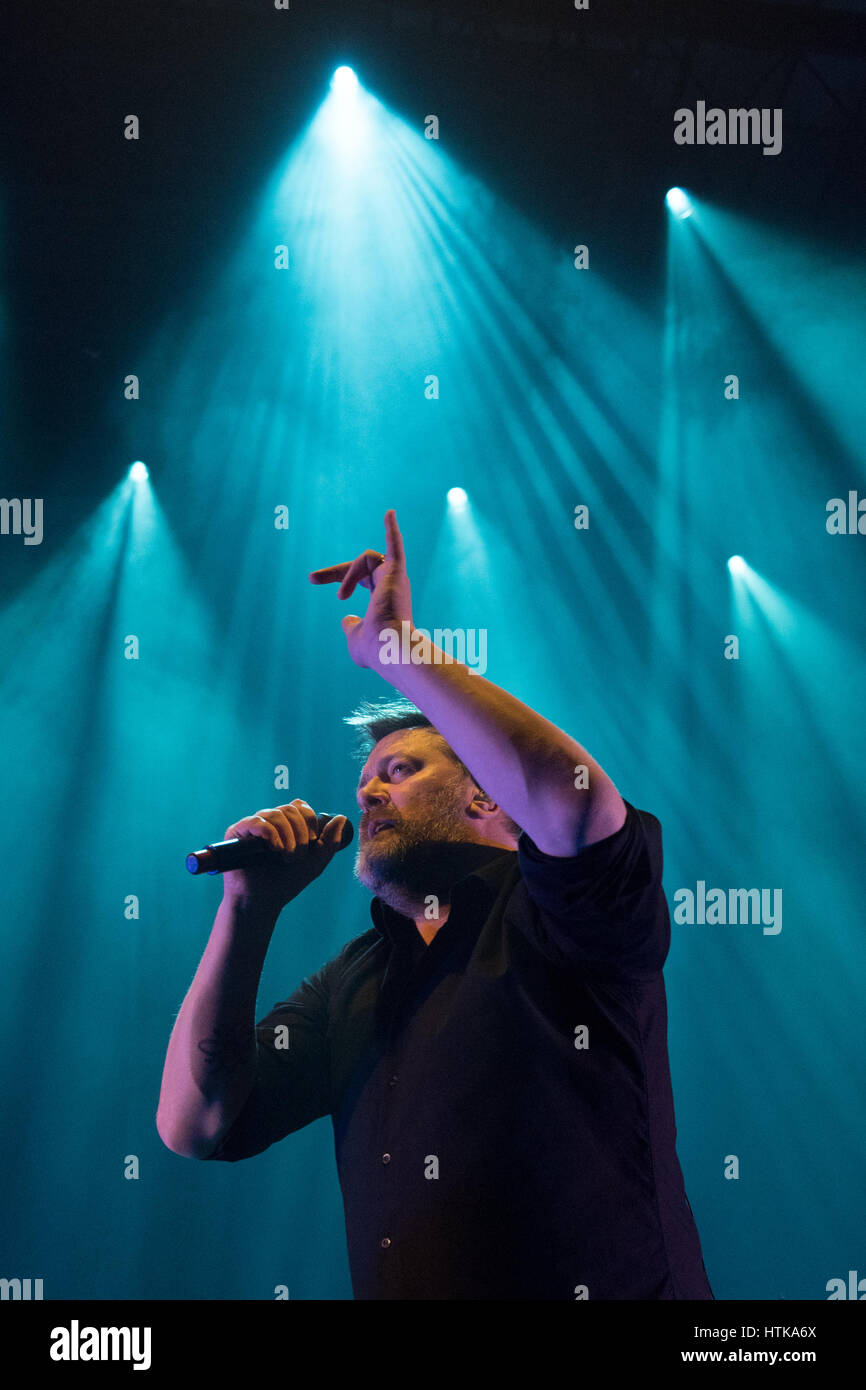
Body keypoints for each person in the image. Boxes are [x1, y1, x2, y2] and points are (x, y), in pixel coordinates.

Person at [156, 509, 713, 1300]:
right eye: (367, 778)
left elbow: (579, 806)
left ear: (490, 797)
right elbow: (193, 1123)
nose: (369, 789)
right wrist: (246, 909)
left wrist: (399, 654)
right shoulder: (354, 981)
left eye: (403, 770)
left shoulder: (566, 912)